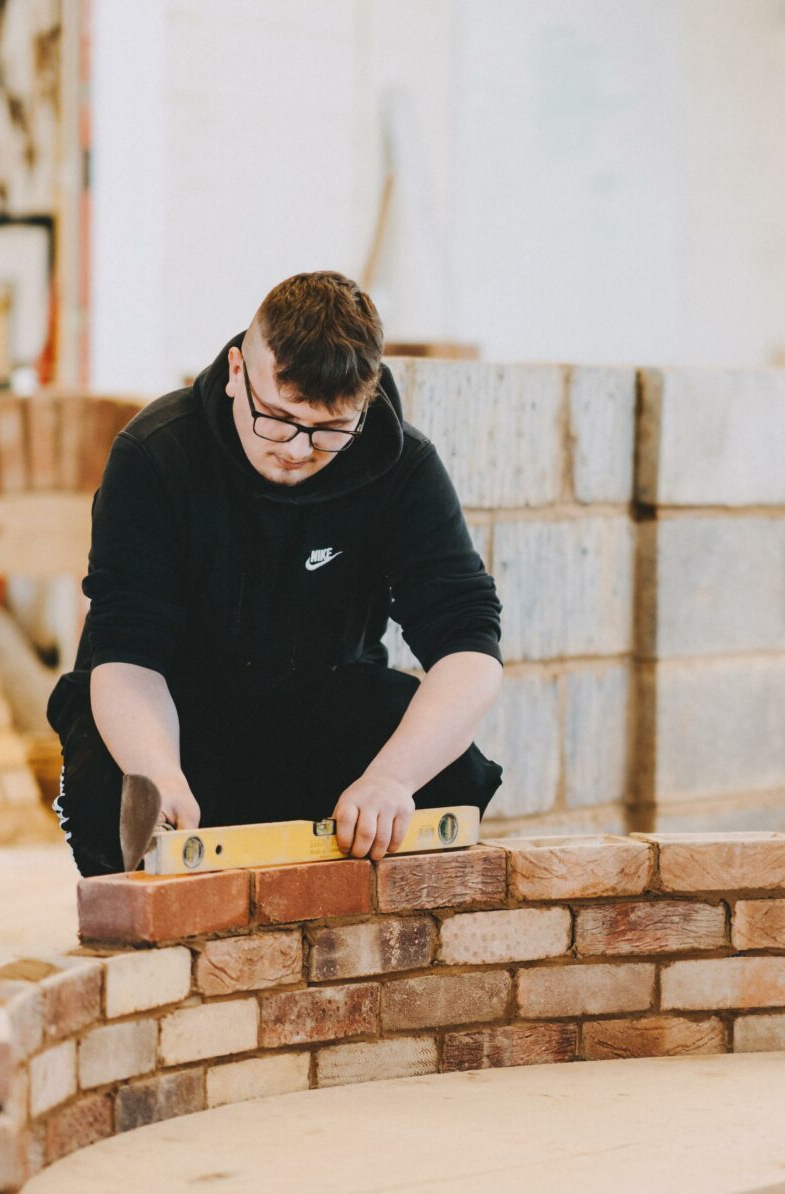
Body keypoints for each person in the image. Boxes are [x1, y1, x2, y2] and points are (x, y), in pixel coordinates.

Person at [47, 271, 504, 876]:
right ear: (237, 371)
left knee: (449, 774)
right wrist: (159, 775)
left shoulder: (404, 465)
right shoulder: (155, 454)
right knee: (113, 795)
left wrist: (392, 779)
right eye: (278, 417)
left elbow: (469, 643)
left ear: (365, 403)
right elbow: (127, 651)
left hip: (320, 701)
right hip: (175, 706)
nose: (296, 449)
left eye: (329, 429)